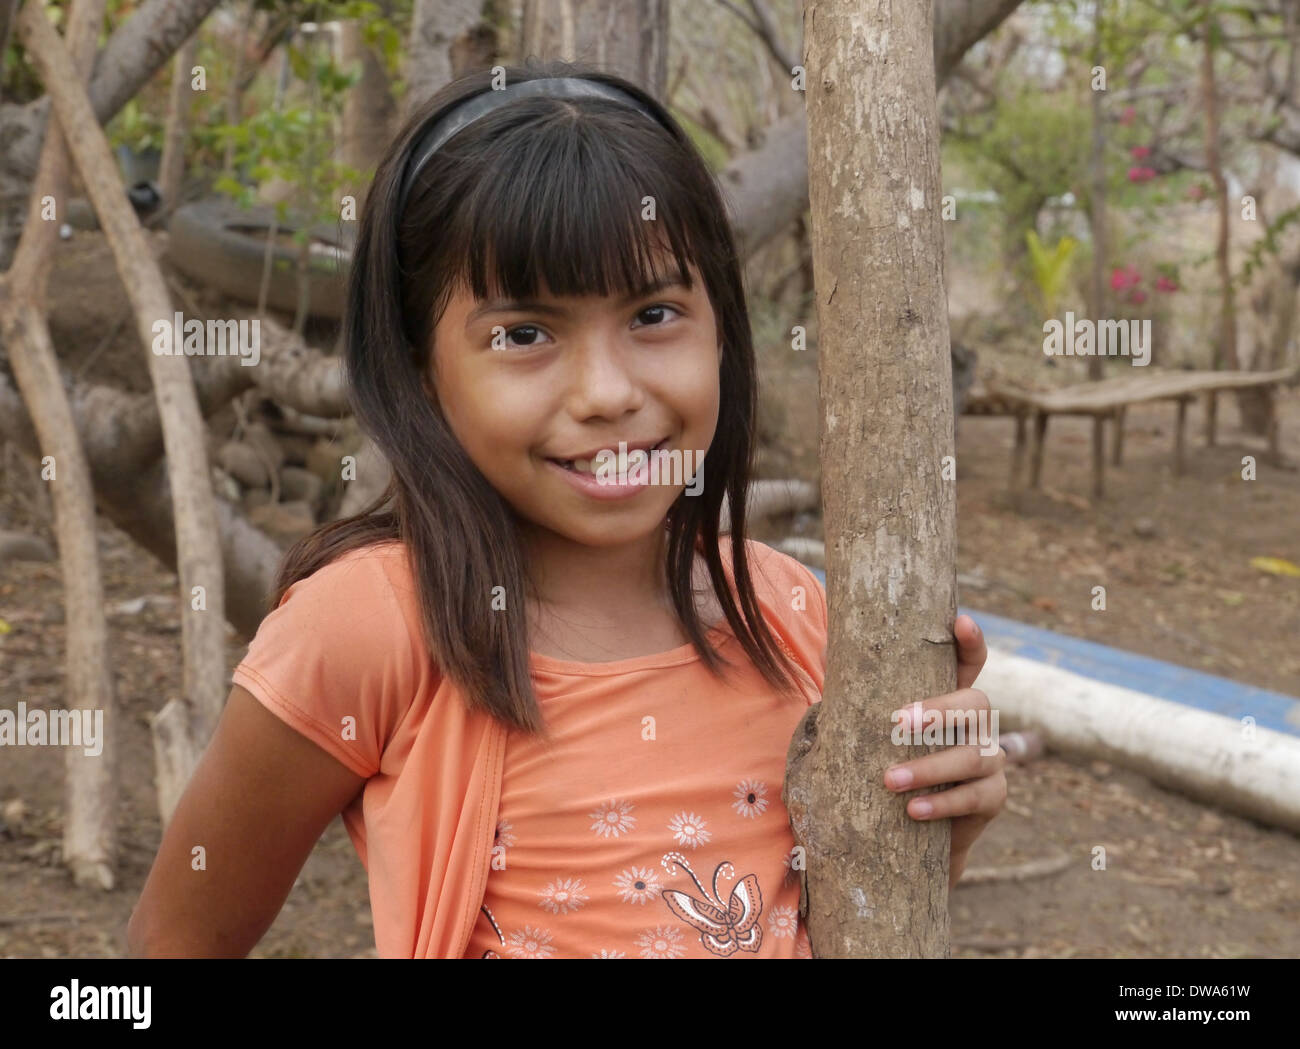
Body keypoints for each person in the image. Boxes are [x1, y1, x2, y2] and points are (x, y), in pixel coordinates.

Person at [126, 60, 1005, 959]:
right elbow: (173, 943)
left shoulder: (796, 616)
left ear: (723, 333)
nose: (606, 392)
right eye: (524, 334)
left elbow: (838, 926)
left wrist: (940, 825)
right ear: (420, 368)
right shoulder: (374, 627)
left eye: (655, 313)